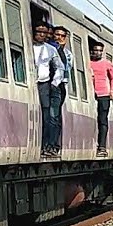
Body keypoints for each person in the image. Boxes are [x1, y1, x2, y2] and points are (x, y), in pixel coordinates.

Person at [33, 23, 64, 158]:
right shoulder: (28, 46)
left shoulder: (51, 49)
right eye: (39, 31)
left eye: (44, 32)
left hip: (44, 84)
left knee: (47, 115)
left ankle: (46, 145)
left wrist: (55, 83)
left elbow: (60, 67)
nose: (41, 34)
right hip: (31, 81)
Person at [89, 42, 113, 157]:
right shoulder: (89, 63)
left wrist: (112, 91)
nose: (98, 53)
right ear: (92, 51)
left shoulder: (107, 64)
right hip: (92, 93)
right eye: (96, 50)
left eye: (100, 50)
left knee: (102, 120)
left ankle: (102, 146)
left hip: (104, 94)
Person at [50, 26, 71, 156]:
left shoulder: (68, 54)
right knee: (52, 115)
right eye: (57, 34)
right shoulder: (50, 49)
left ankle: (54, 143)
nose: (59, 38)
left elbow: (66, 69)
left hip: (61, 85)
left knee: (55, 115)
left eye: (62, 36)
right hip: (51, 83)